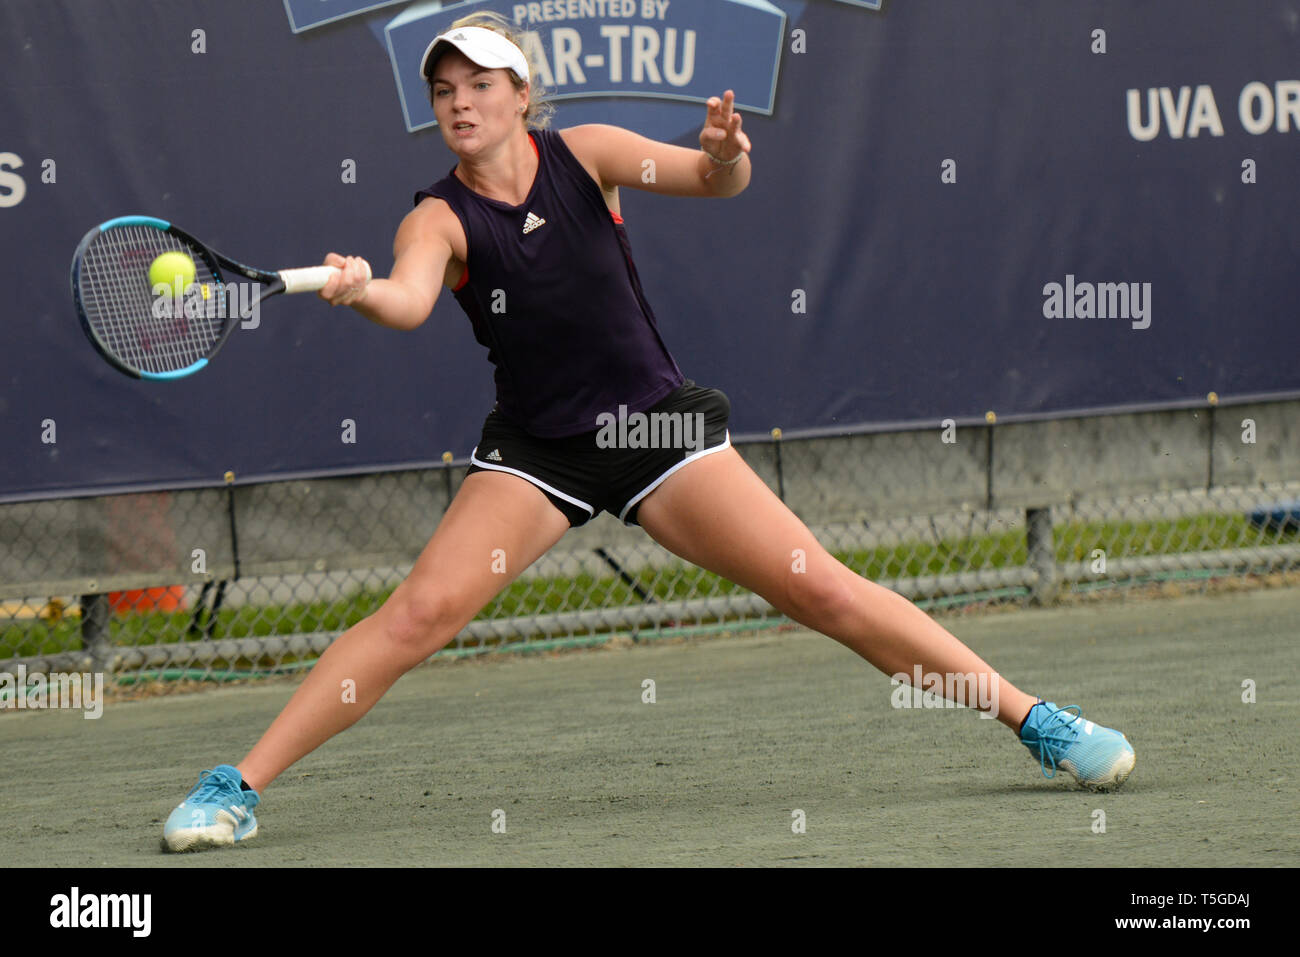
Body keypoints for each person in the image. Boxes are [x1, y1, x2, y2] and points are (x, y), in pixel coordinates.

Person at [162, 13, 1134, 852]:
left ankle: (1034, 720)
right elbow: (409, 299)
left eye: (479, 83)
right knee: (419, 617)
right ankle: (233, 790)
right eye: (444, 88)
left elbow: (716, 183)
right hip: (538, 452)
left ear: (519, 93)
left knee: (823, 592)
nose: (459, 102)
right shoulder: (438, 216)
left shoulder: (586, 152)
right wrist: (359, 288)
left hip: (650, 433)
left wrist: (723, 151)